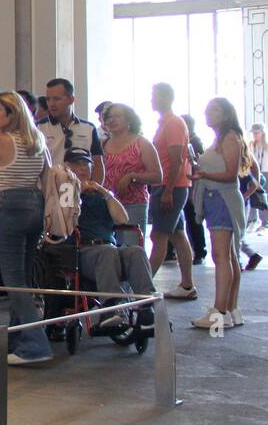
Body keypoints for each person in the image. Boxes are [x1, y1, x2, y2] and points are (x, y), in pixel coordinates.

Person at [0, 91, 53, 365]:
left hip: (9, 205)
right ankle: (17, 337)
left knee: (14, 280)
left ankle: (35, 344)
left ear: (13, 114)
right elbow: (46, 176)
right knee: (22, 275)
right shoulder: (37, 139)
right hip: (35, 204)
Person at [63, 148, 155, 334]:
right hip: (83, 250)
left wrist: (105, 193)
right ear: (67, 167)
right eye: (77, 164)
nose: (83, 168)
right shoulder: (66, 189)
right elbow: (65, 219)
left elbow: (122, 219)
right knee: (108, 252)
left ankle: (147, 307)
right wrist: (78, 189)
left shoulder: (100, 193)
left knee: (135, 251)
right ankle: (111, 308)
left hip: (108, 247)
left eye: (86, 164)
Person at [191, 97, 247, 330]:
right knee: (229, 256)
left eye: (213, 110)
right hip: (218, 198)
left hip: (222, 199)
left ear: (225, 114)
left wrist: (204, 175)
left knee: (222, 256)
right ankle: (230, 308)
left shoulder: (230, 138)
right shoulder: (222, 138)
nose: (208, 114)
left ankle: (220, 311)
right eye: (207, 110)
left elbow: (231, 174)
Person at [150, 83, 197, 299]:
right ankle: (187, 285)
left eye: (154, 96)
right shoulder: (166, 123)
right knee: (178, 235)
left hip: (171, 186)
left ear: (165, 98)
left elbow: (177, 160)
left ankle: (143, 285)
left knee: (159, 235)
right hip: (171, 186)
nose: (151, 99)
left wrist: (168, 190)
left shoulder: (173, 124)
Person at [101, 103, 161, 247]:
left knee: (131, 249)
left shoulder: (141, 143)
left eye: (117, 116)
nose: (112, 120)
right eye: (109, 117)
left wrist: (132, 176)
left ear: (129, 120)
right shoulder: (103, 144)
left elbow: (157, 176)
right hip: (107, 203)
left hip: (133, 203)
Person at [37, 77, 105, 182]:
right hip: (51, 190)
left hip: (81, 190)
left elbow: (97, 163)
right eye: (48, 99)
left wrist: (96, 190)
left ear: (71, 99)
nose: (51, 104)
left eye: (56, 99)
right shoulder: (39, 128)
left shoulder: (89, 128)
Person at [181, 114, 208, 264]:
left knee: (193, 220)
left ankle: (199, 251)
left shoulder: (194, 142)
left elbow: (197, 165)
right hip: (189, 185)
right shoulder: (190, 141)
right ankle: (197, 250)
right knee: (190, 220)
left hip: (193, 186)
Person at [248, 123, 267, 233]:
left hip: (266, 171)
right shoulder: (251, 145)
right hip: (255, 172)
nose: (255, 135)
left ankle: (265, 223)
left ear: (263, 133)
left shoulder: (266, 145)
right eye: (253, 133)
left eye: (257, 133)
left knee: (263, 197)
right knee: (253, 195)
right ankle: (253, 221)